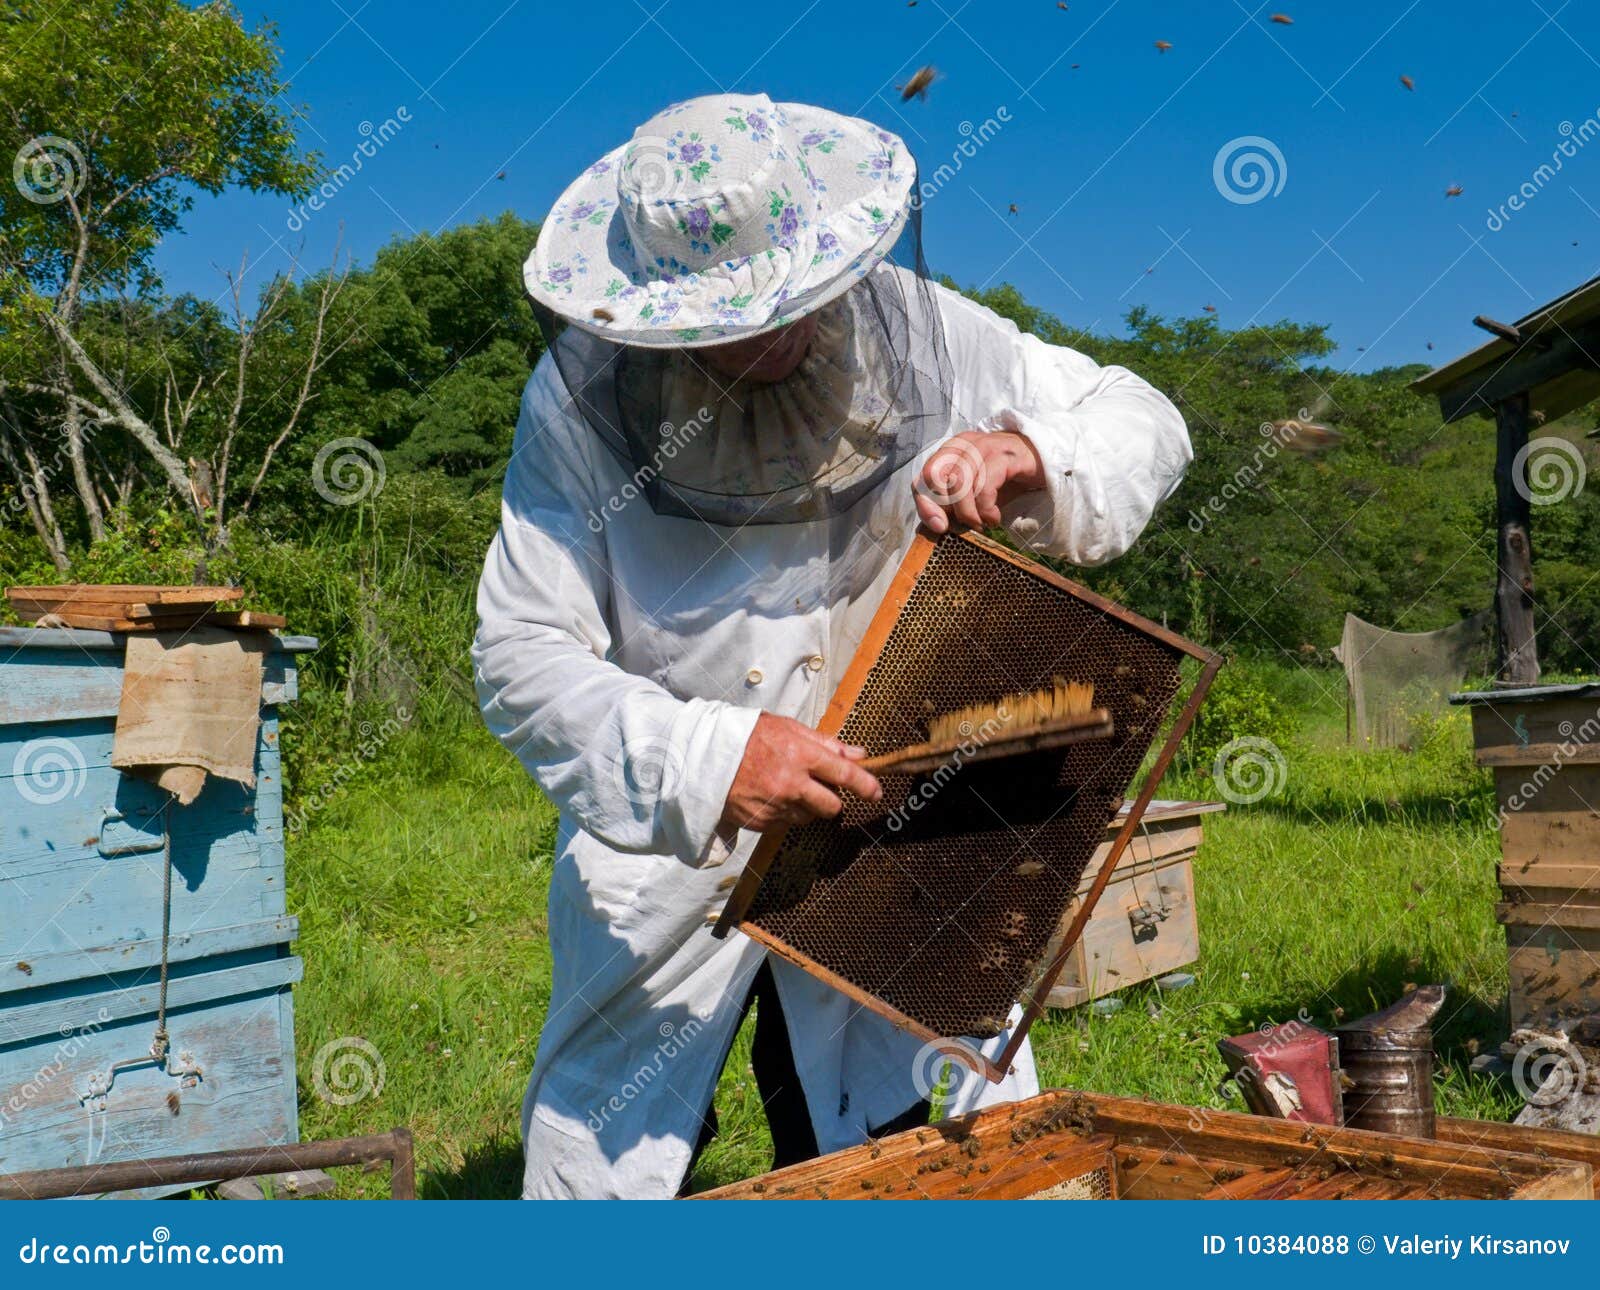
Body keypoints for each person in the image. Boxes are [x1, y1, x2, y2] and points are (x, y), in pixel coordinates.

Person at [473, 93, 1191, 1200]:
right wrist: (709, 759)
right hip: (672, 851)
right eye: (730, 323)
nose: (771, 337)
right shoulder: (576, 405)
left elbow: (1140, 415)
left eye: (788, 302)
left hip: (901, 831)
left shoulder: (933, 334)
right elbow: (522, 652)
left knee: (936, 1166)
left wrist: (1024, 448)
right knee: (608, 1174)